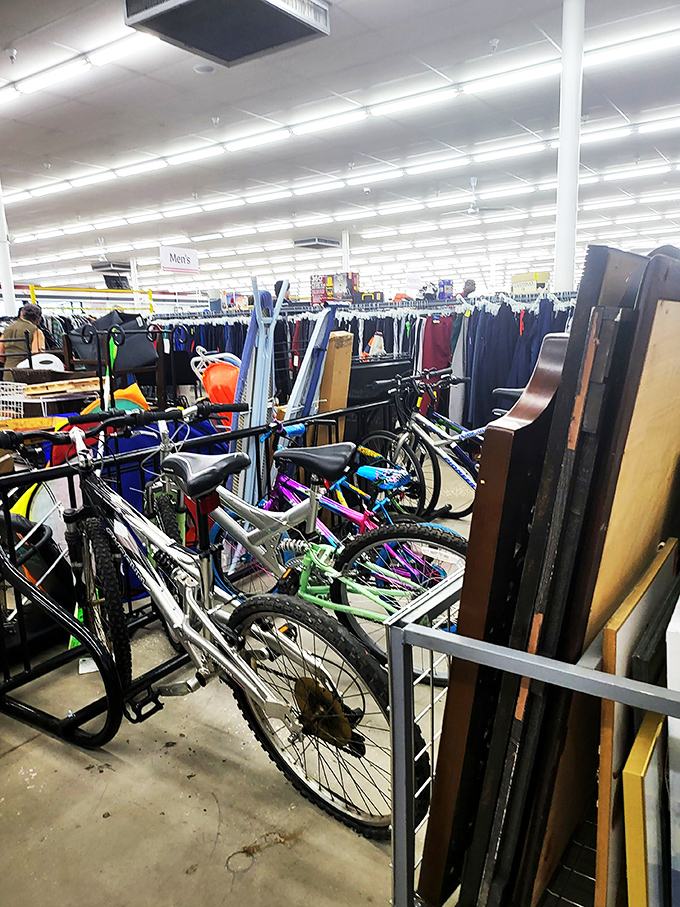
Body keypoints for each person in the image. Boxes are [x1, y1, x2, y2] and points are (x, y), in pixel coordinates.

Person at [0, 303, 45, 379]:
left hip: (8, 373)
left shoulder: (7, 330)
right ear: (39, 319)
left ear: (22, 314)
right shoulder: (36, 331)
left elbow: (1, 355)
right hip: (27, 374)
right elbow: (37, 355)